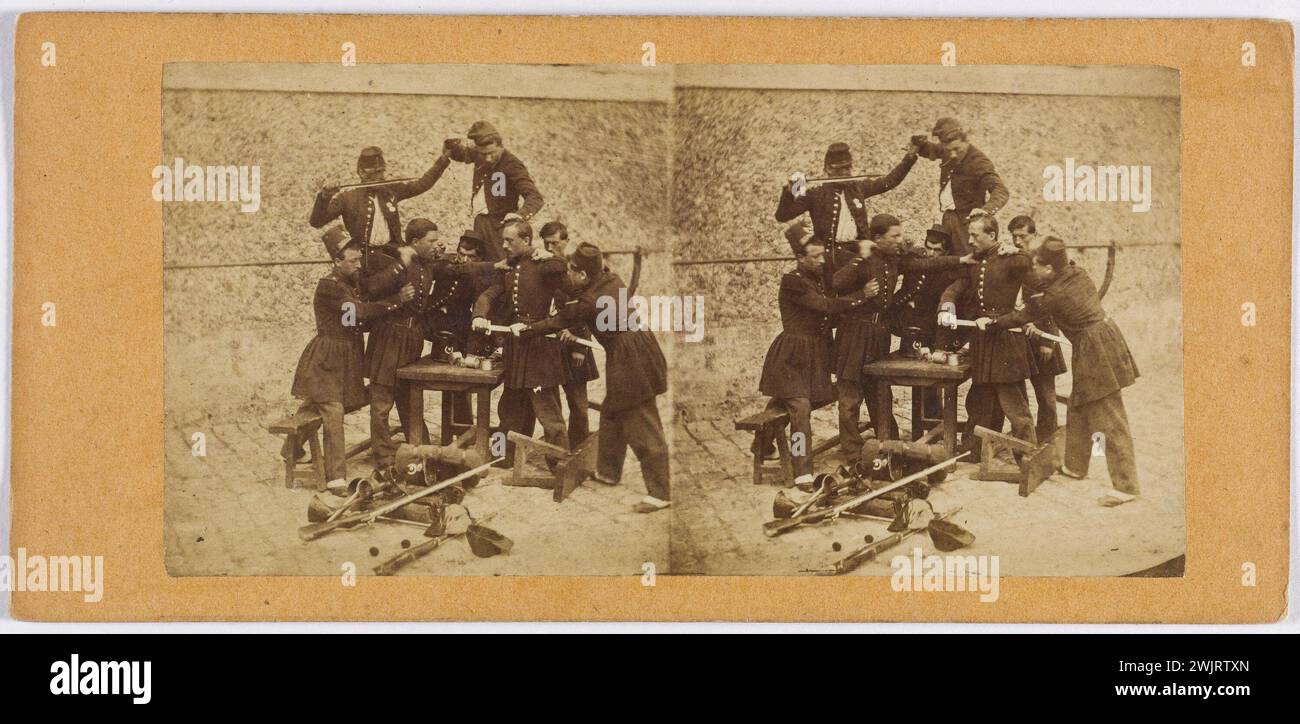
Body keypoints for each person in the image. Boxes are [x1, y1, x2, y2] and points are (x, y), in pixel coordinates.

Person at [981, 237, 1140, 506]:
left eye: (1036, 266)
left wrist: (991, 323)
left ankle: (1126, 486)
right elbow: (1043, 272)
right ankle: (1076, 466)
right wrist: (1018, 250)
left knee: (1109, 416)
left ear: (1049, 269)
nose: (1032, 270)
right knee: (1078, 406)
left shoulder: (1055, 297)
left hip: (1095, 350)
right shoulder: (1076, 272)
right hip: (1100, 341)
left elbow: (1020, 316)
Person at [525, 243, 671, 513]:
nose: (568, 275)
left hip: (629, 357)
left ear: (582, 273)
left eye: (570, 270)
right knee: (612, 412)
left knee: (642, 420)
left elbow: (559, 320)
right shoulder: (611, 278)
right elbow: (577, 289)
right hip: (640, 345)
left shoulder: (589, 302)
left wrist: (526, 329)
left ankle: (660, 492)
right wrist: (555, 258)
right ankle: (608, 471)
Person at [831, 214, 970, 454]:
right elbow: (836, 285)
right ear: (877, 238)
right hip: (855, 332)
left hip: (878, 333)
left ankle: (888, 442)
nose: (900, 240)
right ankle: (852, 450)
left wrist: (961, 259)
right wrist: (861, 281)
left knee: (877, 389)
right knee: (851, 395)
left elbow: (925, 264)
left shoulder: (893, 260)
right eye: (894, 236)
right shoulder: (862, 258)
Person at [283, 228, 406, 488]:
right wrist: (396, 301)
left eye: (359, 259)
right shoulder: (329, 286)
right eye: (353, 261)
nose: (359, 265)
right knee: (333, 411)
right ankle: (336, 478)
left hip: (346, 355)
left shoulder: (350, 282)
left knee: (318, 404)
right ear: (337, 261)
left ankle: (290, 449)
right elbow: (358, 312)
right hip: (327, 357)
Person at [756, 223, 875, 487]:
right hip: (792, 356)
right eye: (815, 257)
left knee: (782, 403)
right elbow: (824, 306)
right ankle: (802, 471)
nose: (822, 261)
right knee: (800, 409)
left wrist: (859, 250)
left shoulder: (817, 278)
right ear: (800, 259)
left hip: (812, 355)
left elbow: (840, 251)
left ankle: (761, 446)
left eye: (822, 255)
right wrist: (861, 296)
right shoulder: (793, 282)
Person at [939, 216, 1037, 459]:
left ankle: (1027, 452)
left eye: (975, 235)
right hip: (983, 338)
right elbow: (957, 286)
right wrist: (946, 304)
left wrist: (1022, 251)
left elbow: (1037, 269)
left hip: (1005, 336)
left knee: (1012, 399)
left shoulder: (1011, 258)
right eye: (969, 235)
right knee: (980, 395)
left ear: (992, 235)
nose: (970, 240)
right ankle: (976, 448)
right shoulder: (975, 260)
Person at [471, 218, 569, 460]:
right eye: (503, 239)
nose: (504, 245)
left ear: (526, 240)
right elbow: (489, 294)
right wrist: (479, 314)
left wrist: (549, 256)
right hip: (517, 345)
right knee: (511, 405)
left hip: (538, 344)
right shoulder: (510, 266)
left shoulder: (545, 264)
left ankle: (560, 463)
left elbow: (568, 281)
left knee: (547, 408)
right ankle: (504, 456)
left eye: (509, 240)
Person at [775, 140, 920, 285]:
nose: (845, 173)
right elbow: (783, 216)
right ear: (828, 169)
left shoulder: (858, 188)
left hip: (858, 252)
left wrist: (910, 157)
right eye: (839, 169)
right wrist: (789, 191)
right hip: (830, 257)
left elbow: (889, 181)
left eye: (847, 168)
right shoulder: (816, 194)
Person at [309, 146, 451, 269]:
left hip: (393, 254)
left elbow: (422, 184)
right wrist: (324, 197)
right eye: (375, 173)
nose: (381, 177)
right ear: (362, 173)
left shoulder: (390, 190)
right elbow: (317, 222)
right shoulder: (347, 198)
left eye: (382, 172)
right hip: (364, 259)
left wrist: (442, 160)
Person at [1005, 215, 1067, 444]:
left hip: (1041, 338)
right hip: (1021, 338)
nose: (1018, 241)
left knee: (1046, 396)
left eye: (1023, 236)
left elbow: (1053, 304)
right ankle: (1028, 441)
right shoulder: (1015, 261)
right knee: (1021, 396)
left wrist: (1048, 341)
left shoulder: (1043, 265)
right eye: (1014, 237)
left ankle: (1048, 441)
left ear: (1034, 236)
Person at [445, 121, 544, 262]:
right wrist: (451, 143)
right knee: (479, 264)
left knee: (502, 265)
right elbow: (461, 154)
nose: (487, 158)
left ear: (500, 145)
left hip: (500, 227)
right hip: (479, 223)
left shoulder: (512, 164)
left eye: (491, 153)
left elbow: (535, 197)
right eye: (483, 154)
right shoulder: (481, 153)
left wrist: (519, 215)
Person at [912, 118, 1009, 255]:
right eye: (948, 150)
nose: (952, 155)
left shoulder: (979, 162)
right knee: (944, 257)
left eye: (957, 149)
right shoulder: (951, 149)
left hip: (966, 222)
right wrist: (918, 142)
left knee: (968, 260)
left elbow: (1001, 191)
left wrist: (985, 210)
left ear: (966, 141)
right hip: (947, 217)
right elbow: (931, 150)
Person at [540, 221, 598, 448]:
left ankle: (580, 449)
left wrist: (580, 347)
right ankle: (560, 449)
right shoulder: (545, 267)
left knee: (578, 403)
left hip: (574, 344)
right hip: (553, 345)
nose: (551, 248)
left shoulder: (576, 269)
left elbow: (585, 311)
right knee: (554, 403)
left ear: (565, 241)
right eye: (546, 244)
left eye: (555, 243)